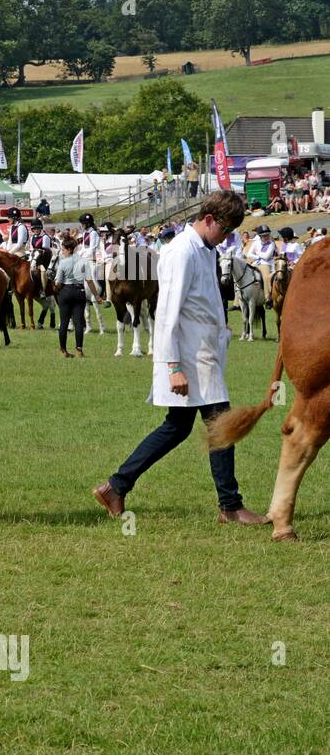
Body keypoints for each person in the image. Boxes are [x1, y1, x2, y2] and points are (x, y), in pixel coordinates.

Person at [93, 191, 269, 526]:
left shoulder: (204, 250)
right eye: (226, 229)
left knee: (178, 427)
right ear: (209, 220)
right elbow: (167, 313)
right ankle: (230, 506)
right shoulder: (181, 253)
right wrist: (172, 366)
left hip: (203, 352)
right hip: (189, 355)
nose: (227, 237)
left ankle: (115, 486)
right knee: (221, 425)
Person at [50, 236, 92, 358]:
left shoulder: (63, 263)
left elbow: (58, 282)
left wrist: (54, 287)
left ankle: (63, 350)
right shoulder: (84, 261)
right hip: (79, 291)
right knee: (78, 322)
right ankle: (79, 349)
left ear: (68, 249)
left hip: (66, 291)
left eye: (63, 249)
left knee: (64, 322)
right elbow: (89, 280)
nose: (62, 251)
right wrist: (97, 296)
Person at [245, 224, 276, 306]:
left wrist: (257, 253)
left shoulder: (272, 244)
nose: (267, 237)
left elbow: (267, 257)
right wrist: (258, 256)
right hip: (256, 263)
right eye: (264, 235)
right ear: (260, 236)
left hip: (266, 264)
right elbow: (249, 254)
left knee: (266, 277)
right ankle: (239, 299)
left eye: (267, 235)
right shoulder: (256, 243)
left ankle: (267, 298)